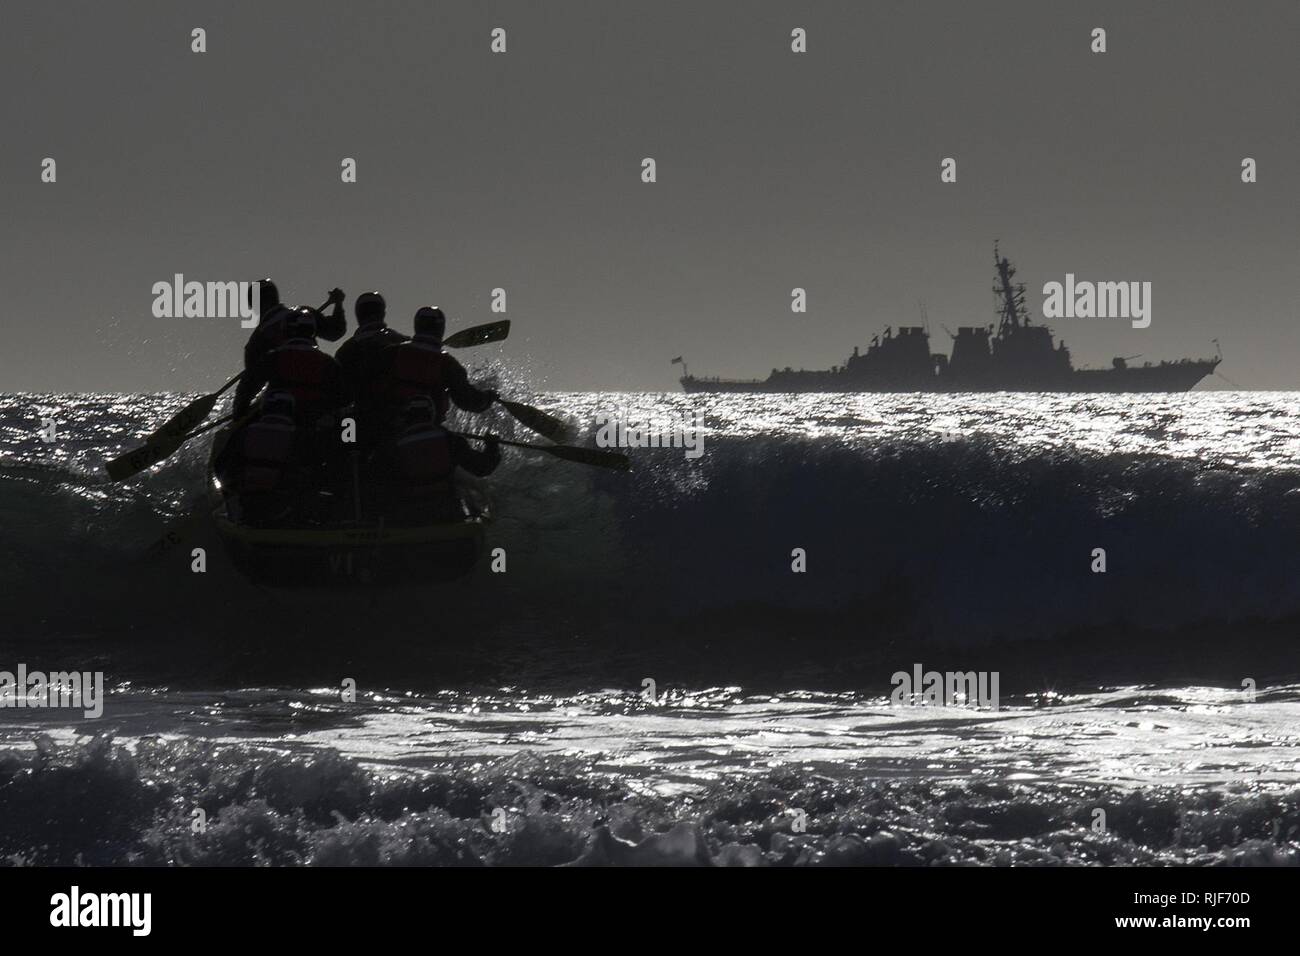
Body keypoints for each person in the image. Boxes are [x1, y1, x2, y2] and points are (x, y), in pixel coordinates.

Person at [370, 397, 500, 521]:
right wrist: (492, 446)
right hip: (446, 510)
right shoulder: (451, 440)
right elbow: (483, 468)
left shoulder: (392, 446)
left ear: (406, 417)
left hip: (408, 512)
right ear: (432, 415)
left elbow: (378, 483)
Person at [370, 306, 497, 431]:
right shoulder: (448, 364)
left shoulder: (392, 352)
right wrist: (488, 398)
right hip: (428, 430)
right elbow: (467, 400)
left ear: (417, 326)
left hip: (388, 427)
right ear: (441, 329)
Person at [233, 280, 346, 416]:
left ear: (254, 306)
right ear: (276, 297)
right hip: (316, 399)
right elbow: (335, 332)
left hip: (282, 407)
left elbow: (251, 382)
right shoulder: (305, 314)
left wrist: (239, 411)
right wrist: (338, 304)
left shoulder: (256, 341)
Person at [212, 391, 314, 526]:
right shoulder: (300, 437)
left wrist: (230, 493)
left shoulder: (243, 434)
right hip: (286, 506)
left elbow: (220, 466)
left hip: (249, 504)